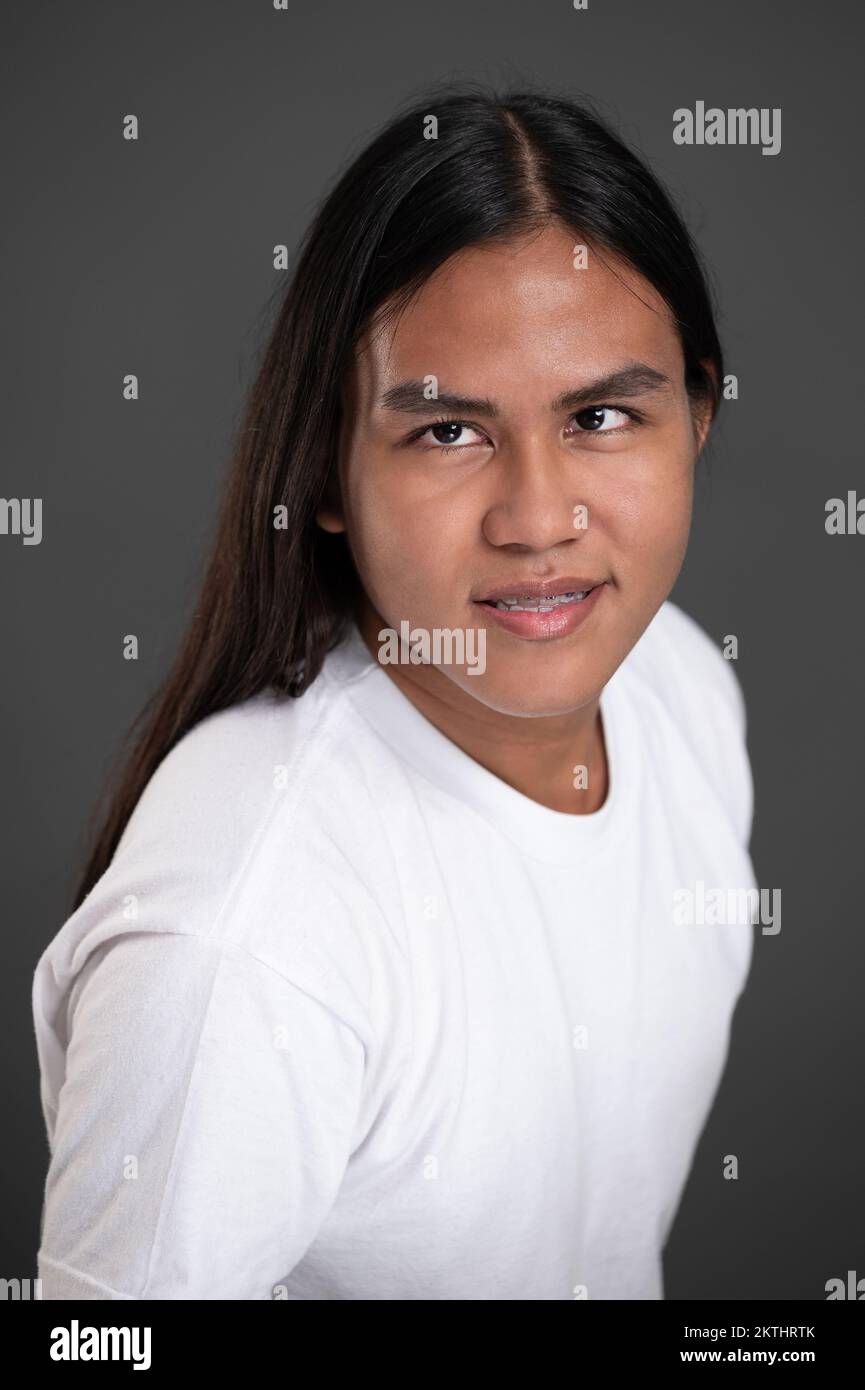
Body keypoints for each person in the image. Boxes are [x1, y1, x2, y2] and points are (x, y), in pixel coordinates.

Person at [32, 84, 757, 1300]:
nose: (539, 521)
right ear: (324, 466)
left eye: (598, 415)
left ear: (695, 415)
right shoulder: (244, 931)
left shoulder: (680, 684)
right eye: (447, 433)